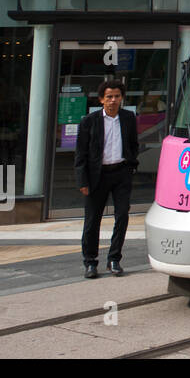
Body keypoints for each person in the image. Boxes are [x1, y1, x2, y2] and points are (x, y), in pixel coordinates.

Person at [75, 79, 139, 278]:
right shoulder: (90, 121)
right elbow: (80, 154)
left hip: (121, 173)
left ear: (122, 98)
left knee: (122, 216)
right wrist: (83, 181)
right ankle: (90, 262)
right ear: (102, 99)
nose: (113, 100)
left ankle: (114, 259)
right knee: (93, 220)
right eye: (109, 97)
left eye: (117, 96)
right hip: (97, 175)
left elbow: (133, 144)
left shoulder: (128, 118)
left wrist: (130, 166)